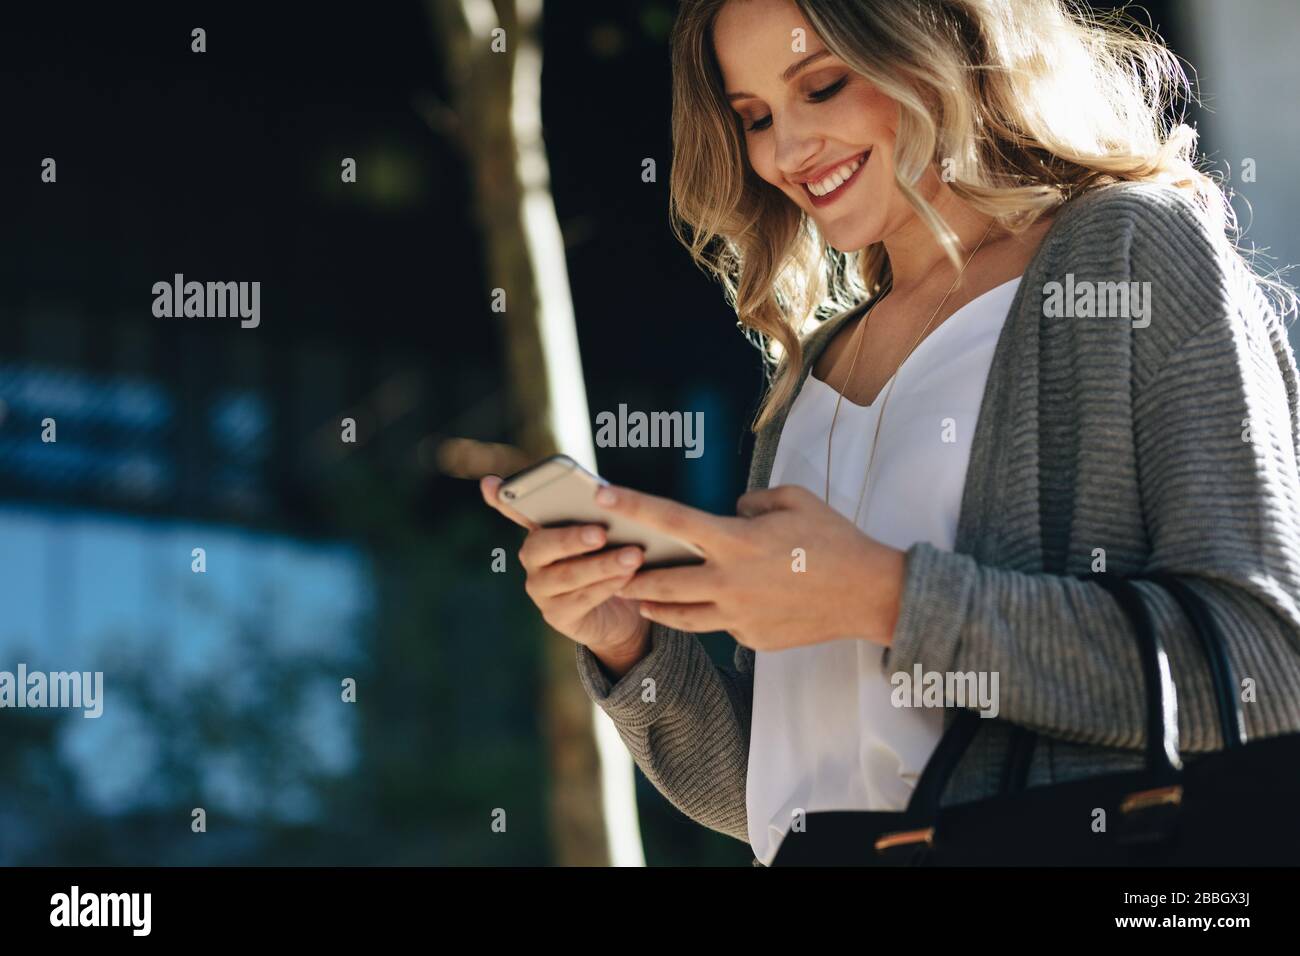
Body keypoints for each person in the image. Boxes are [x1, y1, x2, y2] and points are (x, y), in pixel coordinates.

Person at [481, 0, 1300, 866]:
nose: (785, 152)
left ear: (942, 41)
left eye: (823, 86)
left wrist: (887, 598)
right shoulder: (811, 369)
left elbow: (1266, 668)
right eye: (754, 117)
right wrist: (630, 641)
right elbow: (779, 794)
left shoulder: (1130, 252)